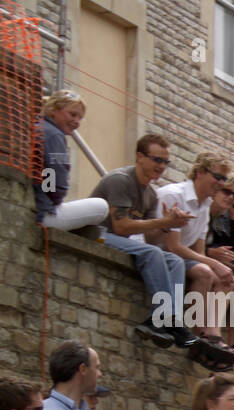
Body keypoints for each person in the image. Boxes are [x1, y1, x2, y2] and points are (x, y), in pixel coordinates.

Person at [89, 132, 195, 348]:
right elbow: (121, 226)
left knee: (175, 261)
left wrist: (168, 225)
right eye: (157, 160)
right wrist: (161, 222)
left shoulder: (151, 195)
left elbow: (149, 236)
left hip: (116, 239)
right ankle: (166, 317)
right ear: (140, 156)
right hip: (96, 234)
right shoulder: (121, 180)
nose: (161, 166)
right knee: (152, 253)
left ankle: (166, 321)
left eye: (166, 162)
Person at [156, 153, 234, 357]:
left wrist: (215, 263)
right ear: (199, 172)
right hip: (159, 252)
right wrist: (213, 261)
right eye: (218, 177)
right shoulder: (177, 194)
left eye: (223, 180)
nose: (220, 184)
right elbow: (173, 246)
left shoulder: (205, 205)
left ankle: (233, 340)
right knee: (207, 273)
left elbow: (199, 250)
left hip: (179, 256)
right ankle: (200, 334)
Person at [32, 90, 109, 232]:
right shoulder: (54, 135)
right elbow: (54, 179)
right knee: (102, 207)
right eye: (72, 114)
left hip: (34, 205)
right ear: (53, 110)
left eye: (80, 118)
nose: (76, 122)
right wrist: (53, 200)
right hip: (44, 213)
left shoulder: (38, 126)